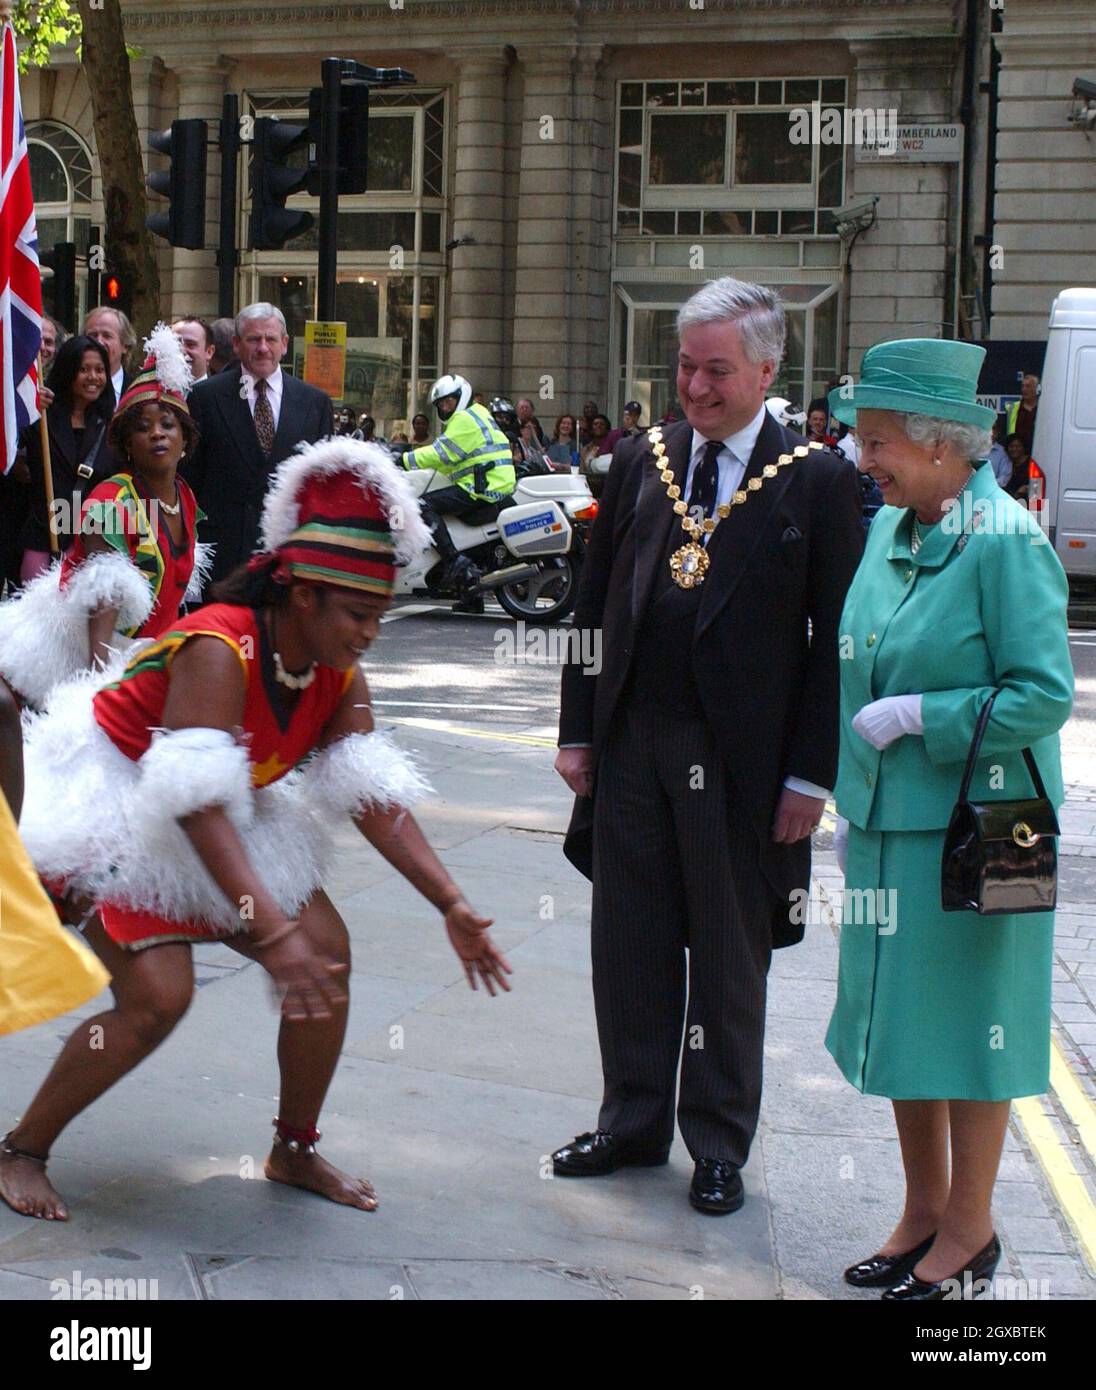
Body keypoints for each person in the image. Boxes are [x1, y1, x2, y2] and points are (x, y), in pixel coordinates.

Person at [1, 438, 512, 1222]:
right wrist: (271, 933)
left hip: (221, 804)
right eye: (359, 613)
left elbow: (370, 794)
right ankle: (22, 1149)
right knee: (157, 999)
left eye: (379, 613)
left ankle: (294, 1148)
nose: (372, 632)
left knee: (329, 955)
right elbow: (193, 805)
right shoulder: (218, 646)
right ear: (302, 593)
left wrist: (451, 902)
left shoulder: (338, 664)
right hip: (122, 806)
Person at [552, 277, 863, 1212]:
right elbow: (593, 602)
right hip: (636, 741)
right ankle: (632, 1121)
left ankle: (718, 1141)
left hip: (746, 763)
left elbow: (834, 642)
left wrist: (813, 774)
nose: (694, 386)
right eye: (685, 365)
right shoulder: (641, 457)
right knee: (631, 942)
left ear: (767, 369)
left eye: (716, 370)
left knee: (730, 957)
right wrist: (578, 730)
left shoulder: (817, 478)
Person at [825, 338, 1073, 1299]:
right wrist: (854, 795)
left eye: (878, 440)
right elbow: (860, 669)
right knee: (902, 1025)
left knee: (978, 1031)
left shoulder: (1006, 540)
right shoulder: (896, 530)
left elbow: (1043, 694)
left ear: (941, 446)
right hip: (892, 823)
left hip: (993, 827)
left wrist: (927, 716)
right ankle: (922, 1212)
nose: (862, 456)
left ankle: (970, 1231)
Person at [0, 326, 203, 709]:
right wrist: (98, 692)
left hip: (147, 657)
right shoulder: (109, 500)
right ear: (127, 443)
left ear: (185, 438)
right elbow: (102, 604)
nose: (157, 434)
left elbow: (172, 595)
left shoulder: (187, 499)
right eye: (143, 427)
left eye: (168, 425)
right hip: (84, 661)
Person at [184, 303, 334, 593]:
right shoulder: (205, 397)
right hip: (222, 560)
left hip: (288, 558)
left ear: (285, 344)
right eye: (254, 339)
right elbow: (190, 478)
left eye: (271, 339)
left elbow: (323, 484)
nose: (263, 348)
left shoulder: (314, 403)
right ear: (237, 344)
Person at [400, 374, 515, 598]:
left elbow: (441, 453)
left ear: (461, 397)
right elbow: (458, 457)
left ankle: (454, 561)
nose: (445, 407)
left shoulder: (463, 420)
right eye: (441, 404)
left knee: (422, 506)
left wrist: (404, 459)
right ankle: (470, 595)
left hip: (481, 486)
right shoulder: (479, 412)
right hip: (496, 482)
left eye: (449, 402)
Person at [17, 336, 119, 584]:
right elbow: (10, 442)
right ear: (68, 371)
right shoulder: (40, 416)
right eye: (84, 369)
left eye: (99, 370)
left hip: (92, 542)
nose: (93, 377)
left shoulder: (115, 426)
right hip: (43, 537)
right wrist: (24, 410)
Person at [84, 307, 136, 405]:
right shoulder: (71, 388)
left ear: (125, 346)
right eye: (93, 335)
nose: (99, 342)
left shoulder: (137, 391)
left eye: (107, 336)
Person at [171, 316, 215, 385]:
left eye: (190, 344)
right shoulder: (153, 392)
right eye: (176, 344)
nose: (182, 350)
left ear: (209, 352)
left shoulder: (218, 394)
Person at [1005, 373, 1038, 454]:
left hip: (1039, 452)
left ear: (1036, 389)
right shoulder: (1012, 408)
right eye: (1023, 386)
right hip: (1018, 455)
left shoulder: (1043, 408)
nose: (1024, 389)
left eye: (1028, 386)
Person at [1004, 432, 1031, 500]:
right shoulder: (1008, 463)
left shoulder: (1030, 463)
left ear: (1023, 448)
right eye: (1011, 446)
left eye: (1018, 446)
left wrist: (1026, 488)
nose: (1014, 449)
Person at [988, 421, 1012, 488]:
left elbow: (1004, 478)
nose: (991, 431)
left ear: (997, 432)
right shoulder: (973, 450)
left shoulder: (1003, 453)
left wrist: (987, 486)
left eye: (994, 428)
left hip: (992, 492)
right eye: (988, 427)